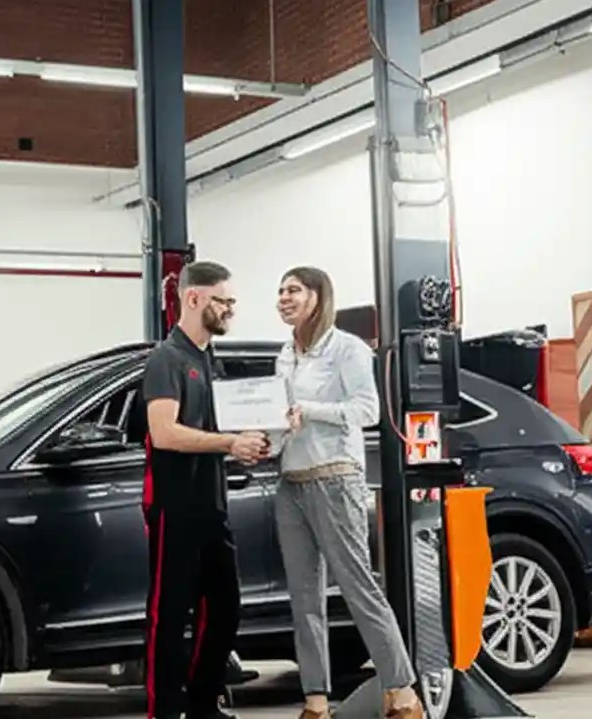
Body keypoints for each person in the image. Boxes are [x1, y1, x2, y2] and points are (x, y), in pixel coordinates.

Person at [271, 266, 423, 719]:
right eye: (280, 291)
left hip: (335, 480)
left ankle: (403, 693)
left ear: (317, 297)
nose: (283, 298)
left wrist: (309, 410)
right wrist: (262, 442)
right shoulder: (285, 354)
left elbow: (368, 409)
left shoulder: (347, 349)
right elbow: (285, 419)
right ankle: (316, 703)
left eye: (293, 290)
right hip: (291, 484)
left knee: (359, 590)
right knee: (304, 600)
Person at [142, 260, 268, 719]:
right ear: (193, 298)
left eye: (233, 302)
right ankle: (164, 711)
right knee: (169, 615)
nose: (230, 310)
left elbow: (216, 429)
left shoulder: (207, 359)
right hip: (174, 507)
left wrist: (256, 437)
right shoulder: (167, 358)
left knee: (225, 608)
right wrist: (229, 442)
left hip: (212, 506)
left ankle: (202, 706)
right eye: (223, 301)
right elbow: (165, 433)